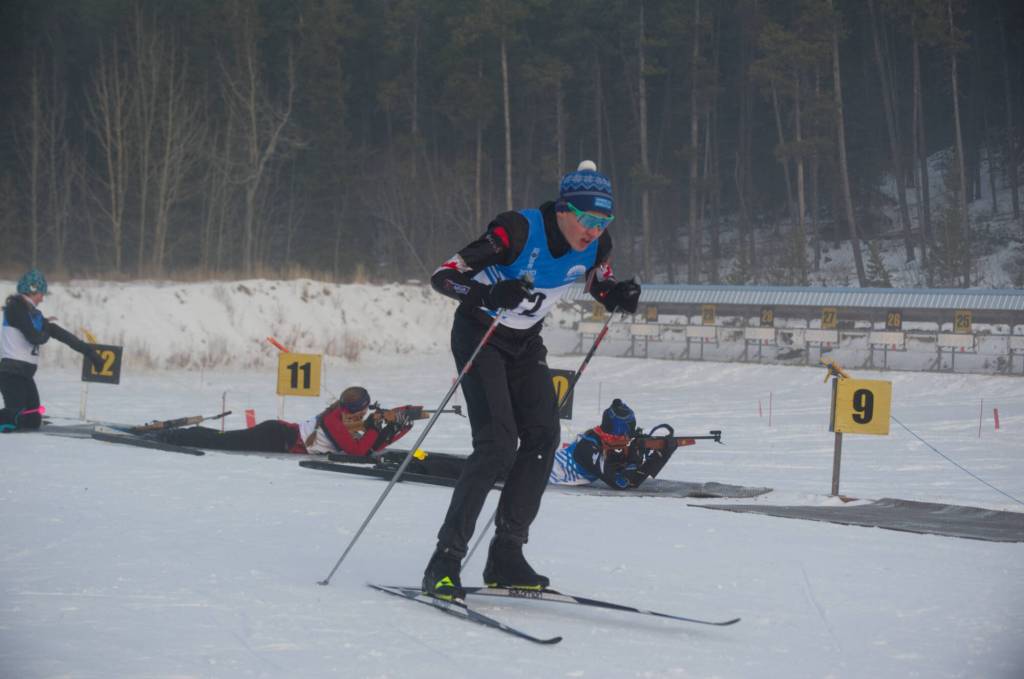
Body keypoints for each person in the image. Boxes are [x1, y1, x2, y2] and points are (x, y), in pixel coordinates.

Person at [421, 160, 641, 601]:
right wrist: (487, 292)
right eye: (587, 219)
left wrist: (616, 295)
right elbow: (444, 277)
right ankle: (445, 559)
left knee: (543, 436)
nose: (594, 230)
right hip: (480, 332)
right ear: (563, 209)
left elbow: (598, 282)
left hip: (524, 344)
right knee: (497, 443)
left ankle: (506, 555)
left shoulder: (597, 246)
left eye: (604, 221)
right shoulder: (515, 232)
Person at [154, 386, 414, 455]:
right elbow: (356, 451)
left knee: (222, 439)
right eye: (364, 413)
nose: (365, 417)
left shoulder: (345, 417)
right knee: (219, 442)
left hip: (278, 435)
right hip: (274, 437)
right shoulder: (336, 420)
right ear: (356, 409)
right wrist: (374, 425)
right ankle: (170, 435)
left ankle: (180, 433)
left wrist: (399, 425)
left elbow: (370, 446)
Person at [1, 269, 104, 431]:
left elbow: (60, 334)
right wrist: (47, 328)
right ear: (32, 290)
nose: (42, 298)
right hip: (11, 373)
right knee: (13, 420)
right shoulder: (14, 308)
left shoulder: (34, 315)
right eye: (41, 294)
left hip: (25, 376)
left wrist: (89, 352)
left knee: (32, 421)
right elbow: (35, 338)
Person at [549, 399, 679, 490]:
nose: (627, 438)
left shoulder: (600, 442)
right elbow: (621, 483)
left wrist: (662, 454)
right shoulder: (588, 448)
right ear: (617, 431)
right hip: (546, 479)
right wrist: (634, 459)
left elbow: (632, 481)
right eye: (626, 434)